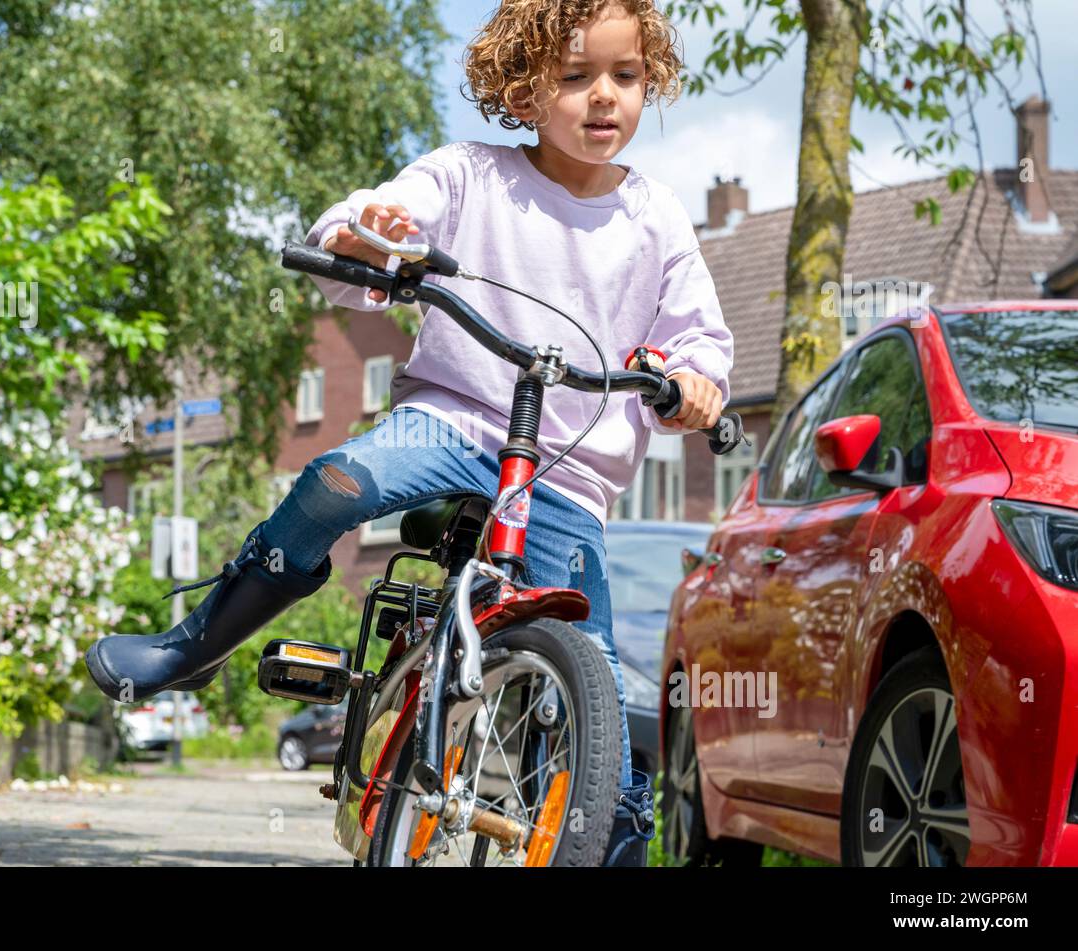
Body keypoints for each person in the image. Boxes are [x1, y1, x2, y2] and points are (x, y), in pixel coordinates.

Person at [86, 0, 733, 866]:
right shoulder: (470, 175)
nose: (603, 97)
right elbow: (370, 227)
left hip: (565, 474)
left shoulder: (655, 218)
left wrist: (694, 380)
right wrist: (371, 237)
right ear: (523, 87)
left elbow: (699, 336)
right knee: (336, 483)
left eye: (625, 76)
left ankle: (603, 839)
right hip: (454, 419)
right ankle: (194, 644)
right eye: (575, 77)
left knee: (600, 688)